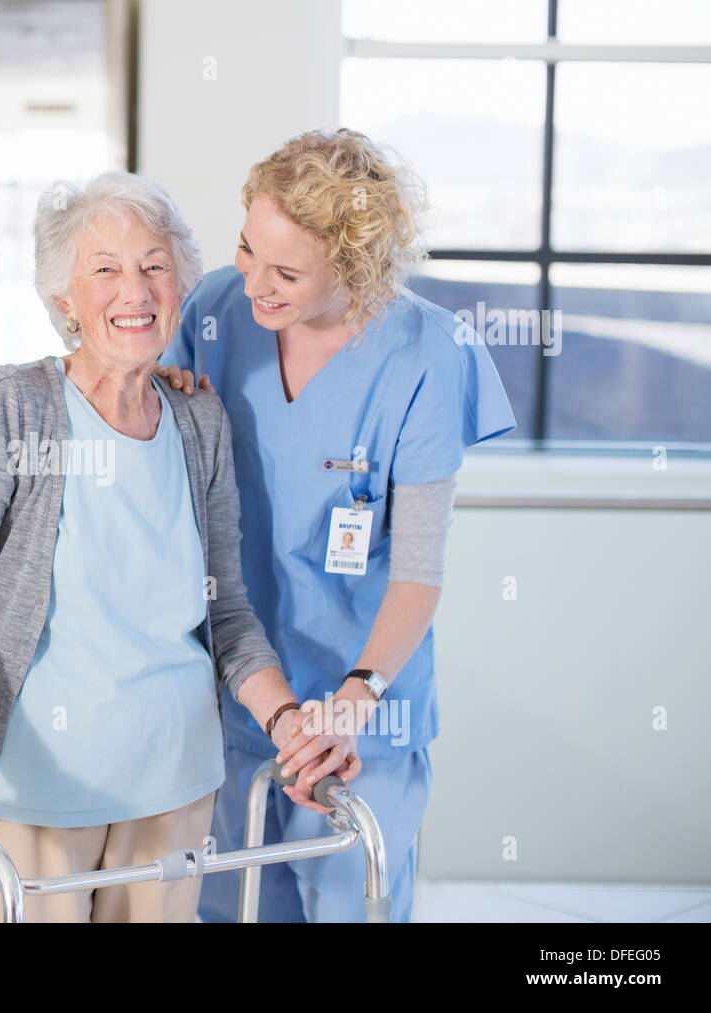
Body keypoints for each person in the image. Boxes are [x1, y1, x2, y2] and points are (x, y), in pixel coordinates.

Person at [0, 171, 354, 922]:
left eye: (153, 265)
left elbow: (228, 614)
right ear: (64, 300)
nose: (133, 290)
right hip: (34, 794)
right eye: (104, 269)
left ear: (181, 287)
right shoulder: (10, 410)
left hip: (174, 791)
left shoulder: (199, 420)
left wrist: (288, 722)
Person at [157, 128, 516, 922]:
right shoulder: (215, 310)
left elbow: (419, 568)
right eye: (248, 250)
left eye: (287, 272)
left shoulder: (429, 354)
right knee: (233, 907)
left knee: (349, 904)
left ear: (355, 267)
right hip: (239, 690)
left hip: (363, 714)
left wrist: (354, 699)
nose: (256, 284)